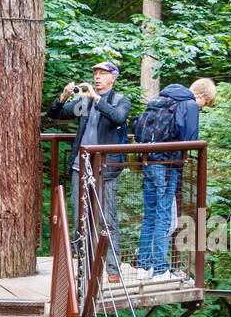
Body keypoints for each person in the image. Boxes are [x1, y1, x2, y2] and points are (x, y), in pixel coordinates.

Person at [47, 60, 131, 277]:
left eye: (103, 74)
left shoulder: (121, 101)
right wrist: (64, 96)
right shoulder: (83, 102)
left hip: (106, 168)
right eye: (95, 73)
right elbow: (55, 114)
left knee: (108, 219)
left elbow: (118, 117)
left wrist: (96, 98)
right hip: (80, 167)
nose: (97, 77)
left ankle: (112, 269)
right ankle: (83, 265)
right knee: (80, 218)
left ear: (113, 78)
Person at [135, 77, 217, 277]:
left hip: (148, 161)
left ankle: (144, 267)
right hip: (167, 165)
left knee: (150, 215)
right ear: (201, 96)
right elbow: (189, 139)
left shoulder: (160, 100)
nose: (202, 107)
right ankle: (161, 270)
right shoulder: (189, 105)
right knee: (164, 217)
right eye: (204, 104)